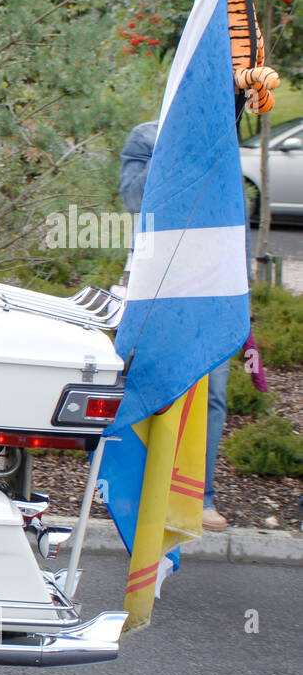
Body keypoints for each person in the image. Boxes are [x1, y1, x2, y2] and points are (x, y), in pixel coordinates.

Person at [119, 118, 247, 532]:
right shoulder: (147, 137)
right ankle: (131, 493)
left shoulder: (222, 138)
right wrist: (183, 154)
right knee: (145, 390)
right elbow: (135, 199)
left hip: (211, 290)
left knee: (211, 397)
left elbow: (232, 220)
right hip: (156, 290)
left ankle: (198, 499)